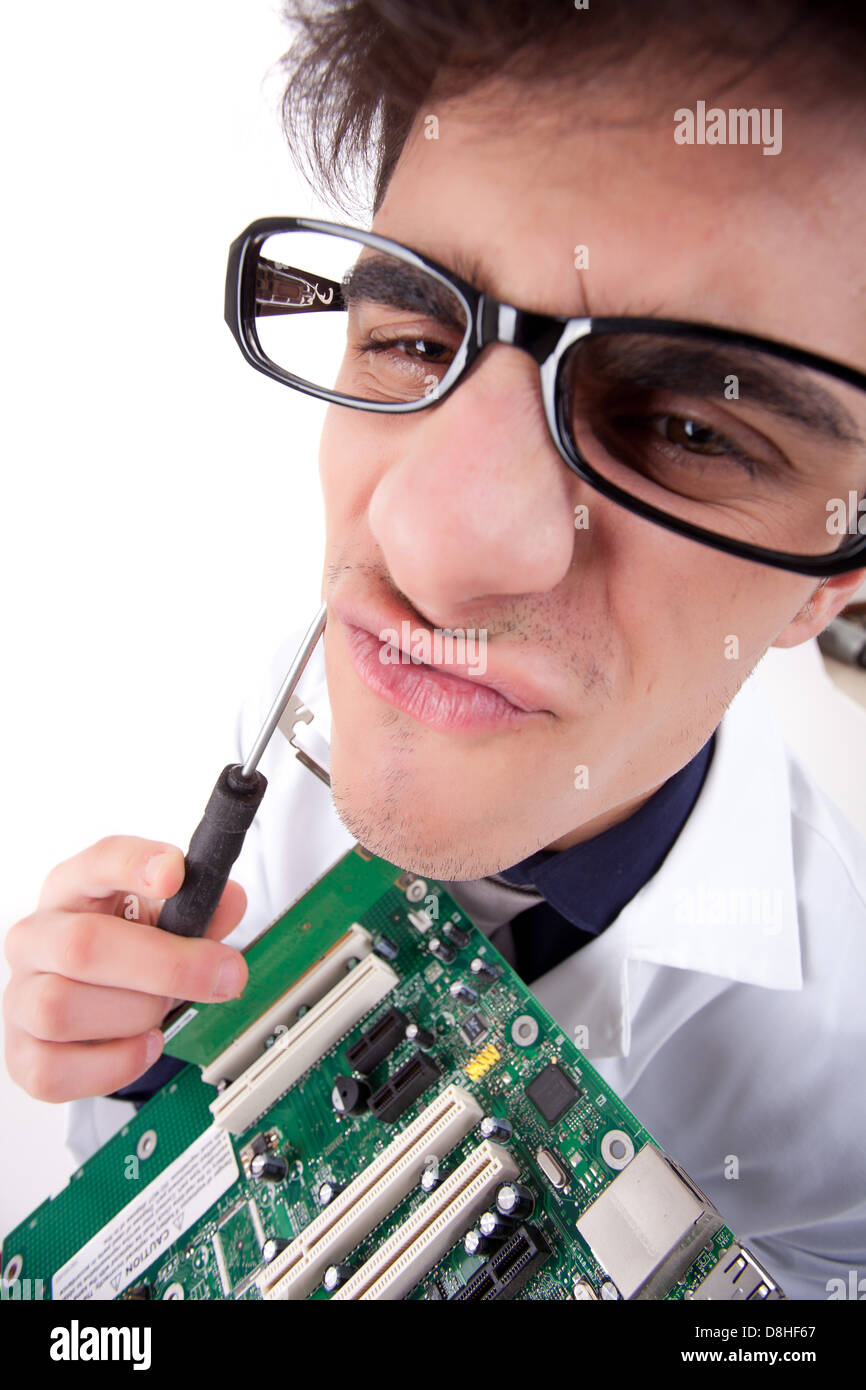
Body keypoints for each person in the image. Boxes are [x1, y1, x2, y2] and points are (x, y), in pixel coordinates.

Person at [4, 0, 866, 1301]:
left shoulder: (840, 1076)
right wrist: (137, 1072)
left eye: (688, 429)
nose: (425, 537)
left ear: (833, 580)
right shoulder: (274, 706)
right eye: (412, 337)